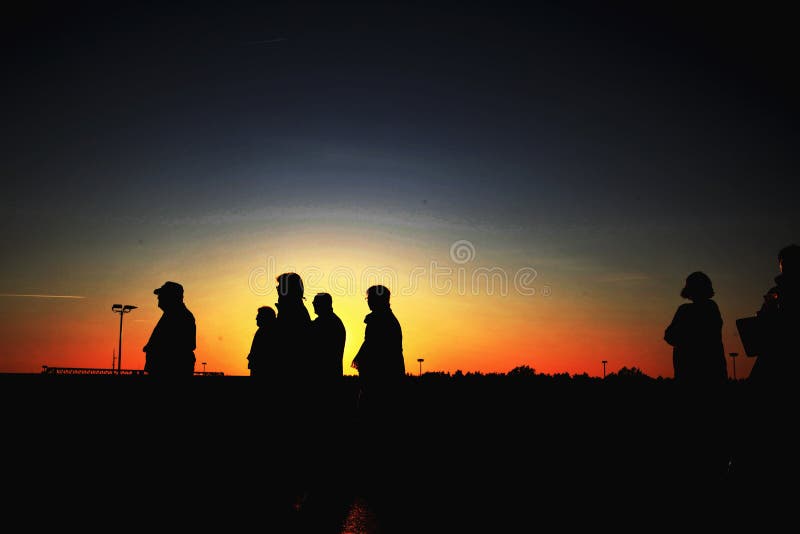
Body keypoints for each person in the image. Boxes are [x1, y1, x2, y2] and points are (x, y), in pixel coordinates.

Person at [664, 271, 727, 386]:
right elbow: (669, 335)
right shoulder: (707, 308)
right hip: (699, 371)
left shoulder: (704, 308)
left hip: (700, 371)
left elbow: (670, 336)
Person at [351, 285, 406, 418]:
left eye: (370, 298)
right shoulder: (383, 318)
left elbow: (374, 351)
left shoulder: (380, 320)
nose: (368, 301)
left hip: (379, 383)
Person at [142, 281, 196, 377]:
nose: (158, 298)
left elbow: (185, 345)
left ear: (171, 296)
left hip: (169, 371)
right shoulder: (172, 314)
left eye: (162, 295)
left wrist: (156, 349)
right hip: (163, 369)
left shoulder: (180, 316)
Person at [311, 292, 347, 382]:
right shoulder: (329, 320)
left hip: (326, 375)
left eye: (315, 302)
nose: (313, 304)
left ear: (323, 304)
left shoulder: (328, 322)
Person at [246, 305, 276, 377]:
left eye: (258, 316)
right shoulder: (262, 330)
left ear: (264, 317)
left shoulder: (267, 331)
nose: (256, 318)